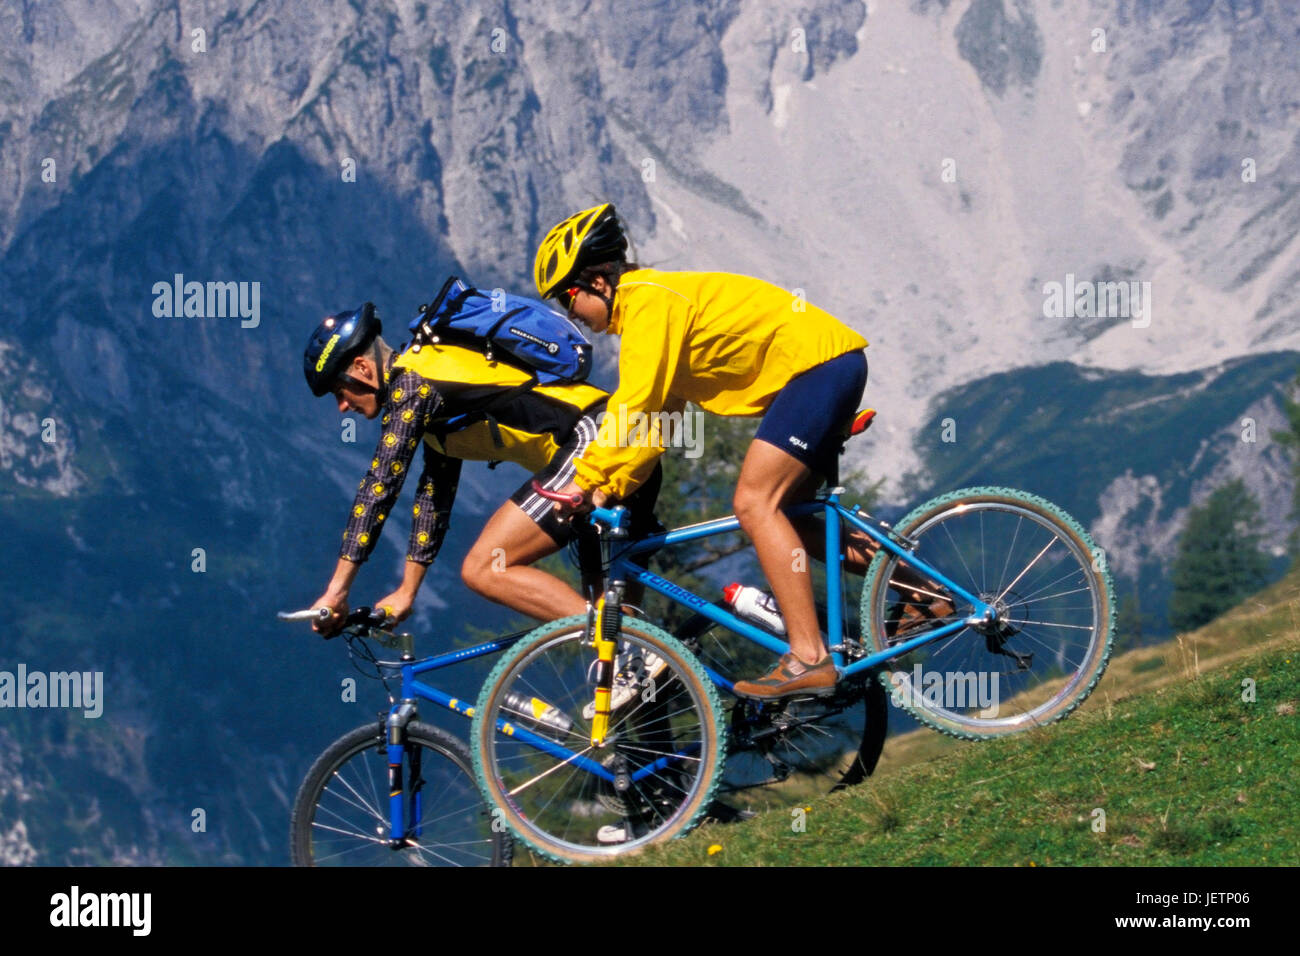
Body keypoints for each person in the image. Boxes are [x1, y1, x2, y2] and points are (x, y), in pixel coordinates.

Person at [535, 203, 951, 698]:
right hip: (827, 371)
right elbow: (653, 425)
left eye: (567, 299)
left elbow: (633, 402)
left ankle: (808, 657)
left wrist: (583, 479)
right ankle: (928, 594)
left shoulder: (648, 303)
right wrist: (609, 487)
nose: (570, 314)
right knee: (789, 519)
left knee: (754, 504)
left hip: (817, 370)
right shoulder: (651, 313)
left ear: (597, 283)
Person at [302, 297, 661, 635]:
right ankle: (647, 664)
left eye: (339, 391)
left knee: (485, 569)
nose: (342, 408)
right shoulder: (432, 387)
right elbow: (433, 500)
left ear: (362, 368)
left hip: (594, 443)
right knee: (613, 640)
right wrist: (407, 592)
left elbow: (380, 487)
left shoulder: (413, 384)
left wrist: (336, 592)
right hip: (622, 441)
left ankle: (626, 640)